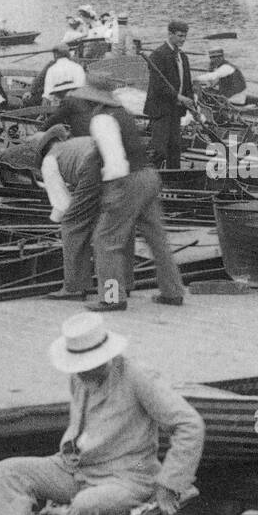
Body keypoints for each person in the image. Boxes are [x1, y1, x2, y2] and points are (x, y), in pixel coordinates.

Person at [0, 314, 204, 515]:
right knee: (9, 471)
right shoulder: (77, 376)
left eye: (91, 364)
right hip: (77, 470)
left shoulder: (137, 376)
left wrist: (170, 483)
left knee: (85, 504)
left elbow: (190, 424)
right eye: (79, 365)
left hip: (127, 478)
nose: (84, 371)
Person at [82, 78, 187, 311]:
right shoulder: (122, 112)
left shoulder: (101, 119)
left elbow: (114, 158)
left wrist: (112, 192)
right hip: (149, 175)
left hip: (126, 180)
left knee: (105, 240)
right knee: (157, 239)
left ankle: (111, 298)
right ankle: (173, 291)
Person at [2, 124, 101, 300]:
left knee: (72, 228)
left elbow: (63, 205)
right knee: (113, 234)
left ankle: (75, 288)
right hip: (123, 170)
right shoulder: (75, 143)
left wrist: (56, 225)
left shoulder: (50, 160)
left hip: (94, 170)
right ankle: (120, 290)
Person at [141, 19, 194, 170]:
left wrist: (192, 104)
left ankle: (174, 176)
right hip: (161, 109)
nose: (183, 39)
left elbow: (187, 84)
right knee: (159, 149)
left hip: (176, 110)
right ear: (170, 34)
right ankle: (151, 177)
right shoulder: (158, 55)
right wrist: (178, 97)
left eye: (185, 36)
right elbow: (158, 86)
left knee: (175, 147)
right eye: (179, 36)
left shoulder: (183, 57)